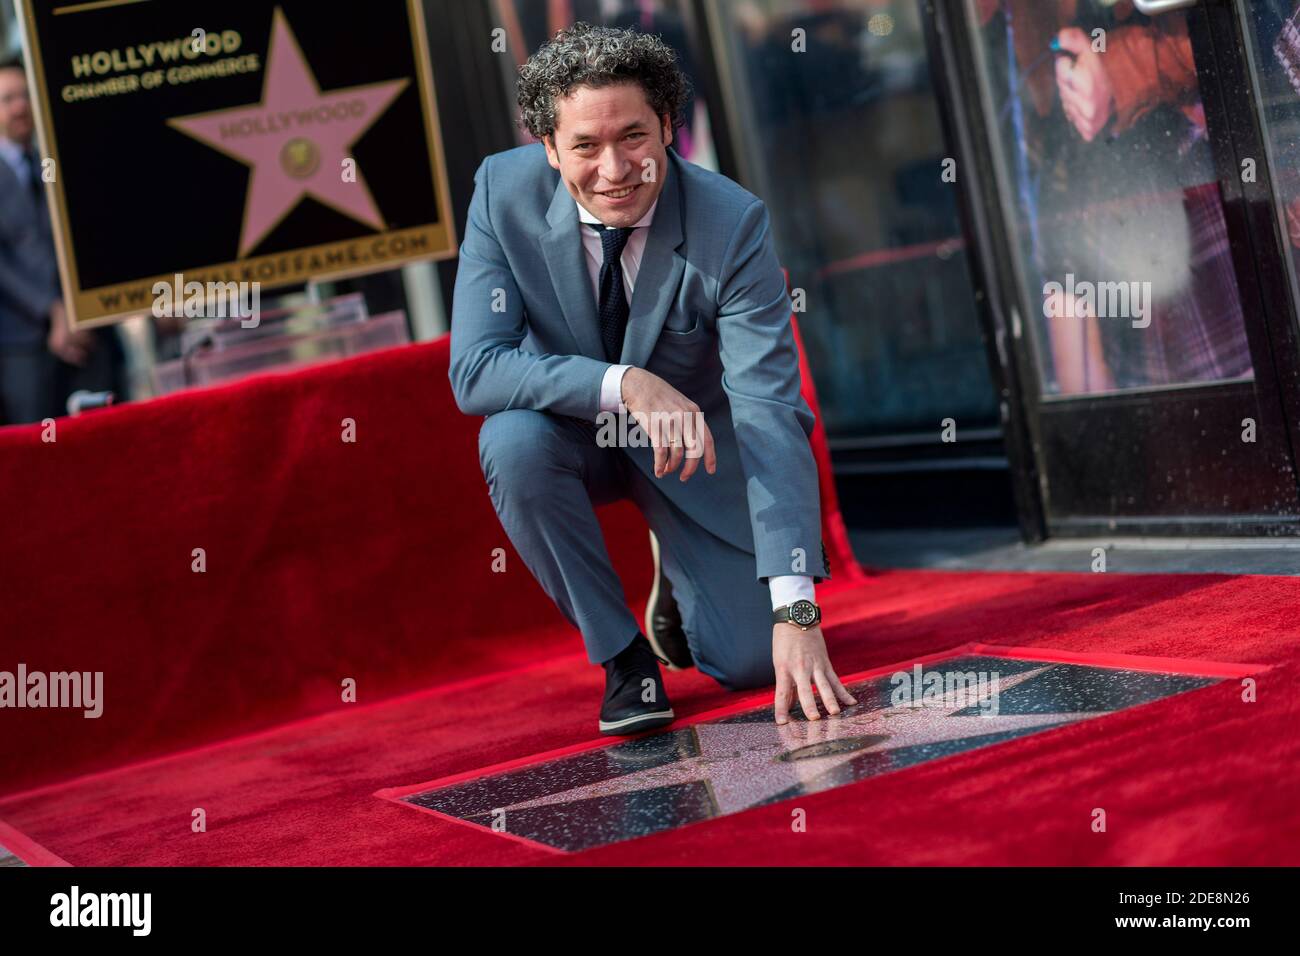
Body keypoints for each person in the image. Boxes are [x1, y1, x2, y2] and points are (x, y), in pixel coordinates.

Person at [449, 23, 855, 735]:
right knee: (510, 442)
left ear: (669, 125)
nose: (615, 168)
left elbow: (768, 409)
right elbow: (476, 371)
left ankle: (681, 574)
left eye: (633, 136)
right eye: (584, 145)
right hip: (571, 435)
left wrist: (797, 607)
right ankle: (622, 653)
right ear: (547, 148)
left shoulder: (732, 223)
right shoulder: (499, 194)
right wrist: (623, 383)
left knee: (757, 664)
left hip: (693, 448)